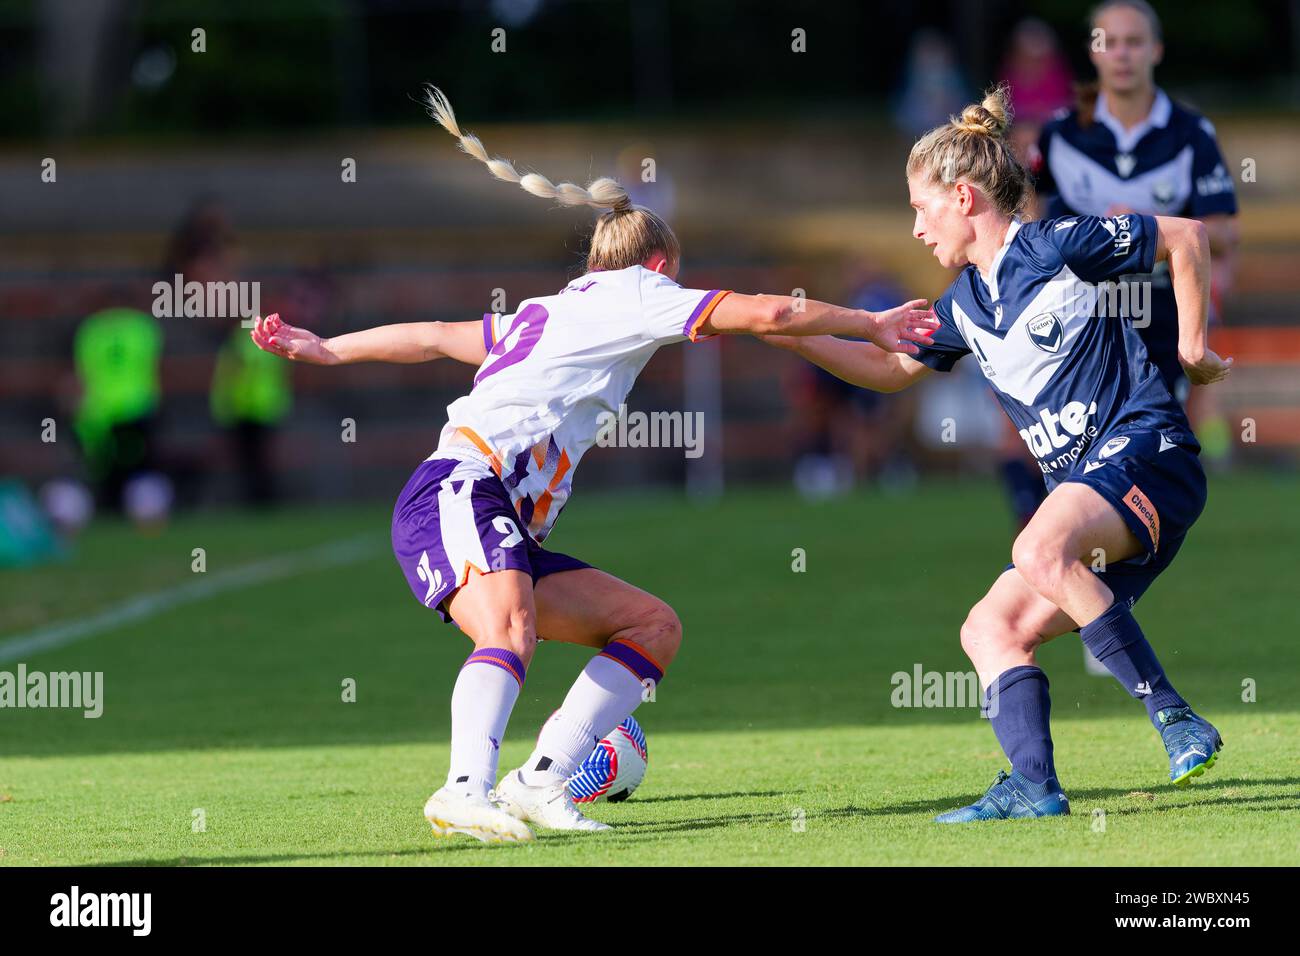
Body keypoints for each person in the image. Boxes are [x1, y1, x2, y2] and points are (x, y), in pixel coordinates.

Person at [250, 88, 938, 843]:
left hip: (492, 512)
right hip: (460, 490)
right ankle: (463, 787)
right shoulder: (639, 294)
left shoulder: (551, 313)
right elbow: (772, 314)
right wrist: (872, 320)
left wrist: (329, 348)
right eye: (674, 277)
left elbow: (434, 335)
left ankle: (542, 782)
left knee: (649, 626)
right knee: (509, 630)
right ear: (657, 263)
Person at [764, 86, 1232, 822]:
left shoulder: (1056, 244)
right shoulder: (961, 305)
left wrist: (1192, 347)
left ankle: (1176, 717)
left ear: (963, 196)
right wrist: (780, 328)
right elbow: (887, 372)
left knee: (1038, 547)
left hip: (1149, 453)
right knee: (988, 628)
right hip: (1089, 495)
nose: (915, 228)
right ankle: (1034, 786)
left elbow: (1187, 237)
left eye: (921, 208)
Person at [1032, 0, 1238, 432]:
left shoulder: (1191, 133)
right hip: (1078, 311)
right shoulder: (1059, 134)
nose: (1122, 53)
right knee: (1075, 444)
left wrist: (1146, 227)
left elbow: (1221, 234)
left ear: (1156, 50)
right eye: (1111, 42)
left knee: (1159, 444)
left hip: (1160, 310)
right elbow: (1027, 225)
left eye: (1134, 42)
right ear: (1093, 52)